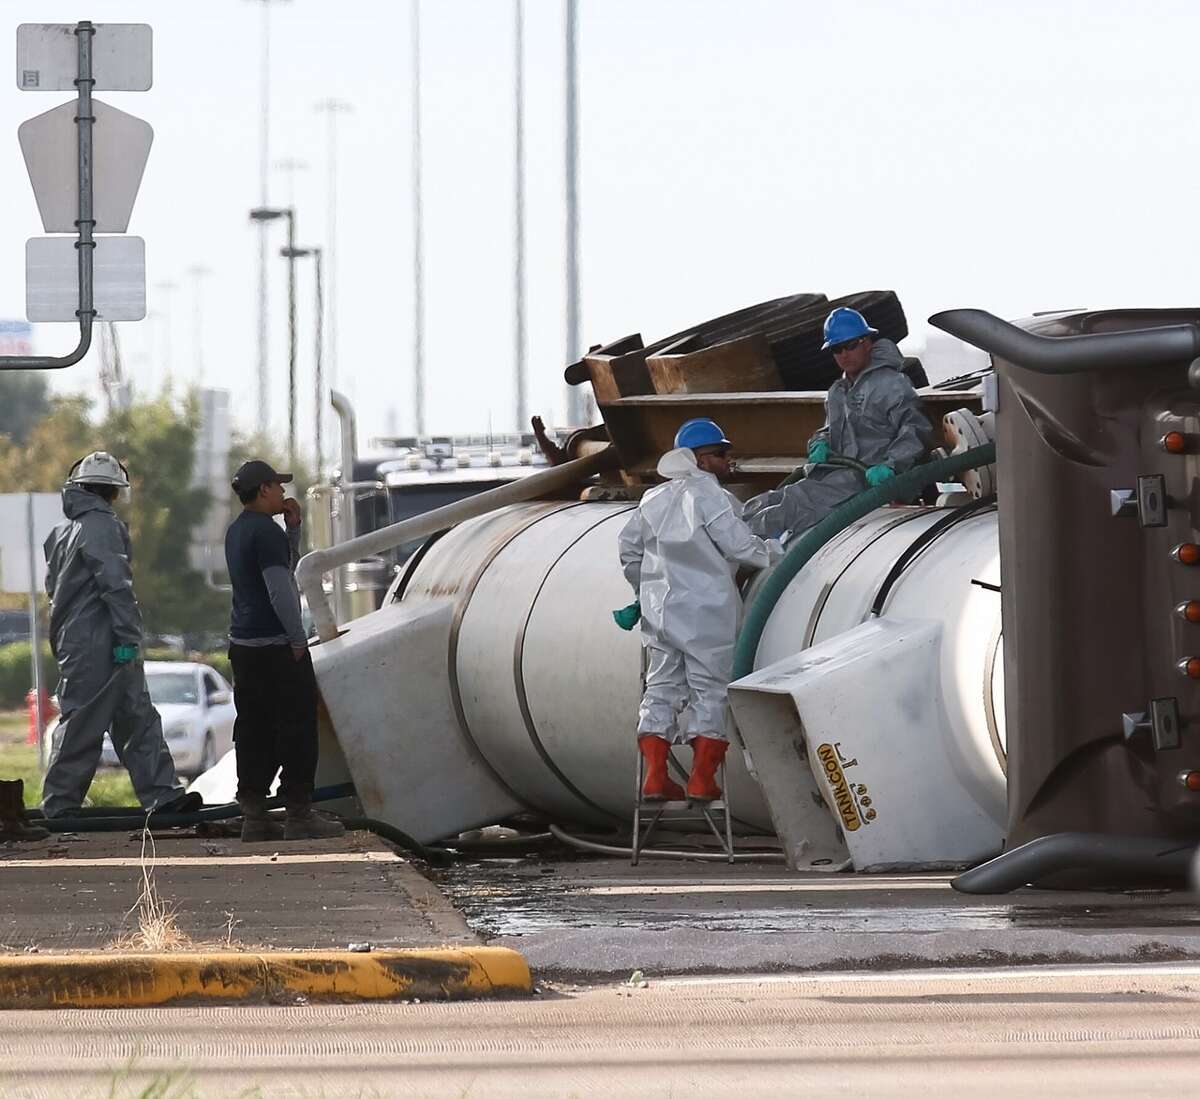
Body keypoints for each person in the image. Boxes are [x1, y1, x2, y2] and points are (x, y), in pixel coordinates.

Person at [618, 419, 781, 803]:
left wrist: (643, 591)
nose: (729, 461)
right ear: (702, 460)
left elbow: (629, 553)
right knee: (710, 690)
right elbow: (740, 547)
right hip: (707, 611)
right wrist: (775, 551)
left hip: (661, 613)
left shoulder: (653, 499)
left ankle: (656, 777)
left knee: (659, 690)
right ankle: (701, 780)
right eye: (723, 454)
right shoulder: (711, 498)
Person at [40, 452, 201, 819]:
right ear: (113, 492)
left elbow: (55, 592)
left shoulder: (61, 534)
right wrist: (129, 638)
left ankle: (163, 796)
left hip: (83, 643)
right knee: (83, 722)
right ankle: (60, 805)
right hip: (102, 642)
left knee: (137, 715)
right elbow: (116, 585)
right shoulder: (102, 526)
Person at [225, 460, 343, 843]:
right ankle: (298, 813)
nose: (282, 493)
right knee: (296, 727)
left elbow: (277, 571)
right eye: (277, 486)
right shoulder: (265, 533)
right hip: (276, 647)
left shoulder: (238, 531)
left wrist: (293, 532)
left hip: (243, 647)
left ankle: (254, 816)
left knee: (253, 728)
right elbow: (281, 589)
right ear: (263, 490)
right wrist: (297, 639)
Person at [743, 307, 934, 540]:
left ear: (867, 343)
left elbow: (915, 429)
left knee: (791, 506)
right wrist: (819, 442)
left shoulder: (891, 384)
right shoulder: (838, 391)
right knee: (767, 501)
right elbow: (831, 429)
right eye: (836, 349)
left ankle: (737, 551)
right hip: (835, 476)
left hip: (868, 482)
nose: (844, 354)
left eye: (851, 345)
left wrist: (891, 466)